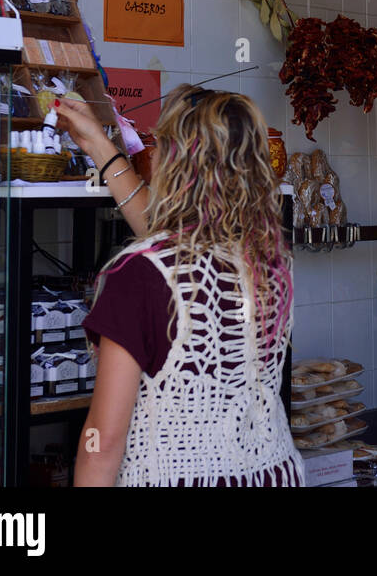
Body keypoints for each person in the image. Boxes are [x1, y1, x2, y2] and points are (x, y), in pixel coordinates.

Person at [60, 85, 303, 486]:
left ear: (173, 164)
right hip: (274, 473)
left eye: (160, 146)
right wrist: (100, 146)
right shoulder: (270, 262)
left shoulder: (138, 274)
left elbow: (100, 446)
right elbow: (173, 242)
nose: (152, 155)